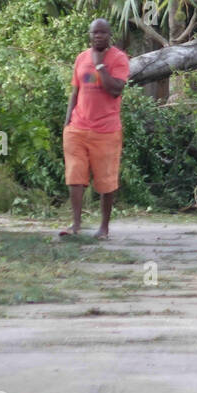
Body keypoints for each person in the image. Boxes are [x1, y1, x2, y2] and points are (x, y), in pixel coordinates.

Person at [59, 18, 129, 239]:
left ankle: (104, 229)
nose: (98, 36)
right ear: (89, 35)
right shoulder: (81, 58)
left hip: (106, 131)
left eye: (102, 33)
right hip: (77, 129)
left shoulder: (118, 59)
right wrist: (67, 122)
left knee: (106, 182)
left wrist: (100, 65)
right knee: (75, 176)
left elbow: (115, 90)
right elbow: (75, 92)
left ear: (110, 35)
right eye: (94, 33)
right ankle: (76, 225)